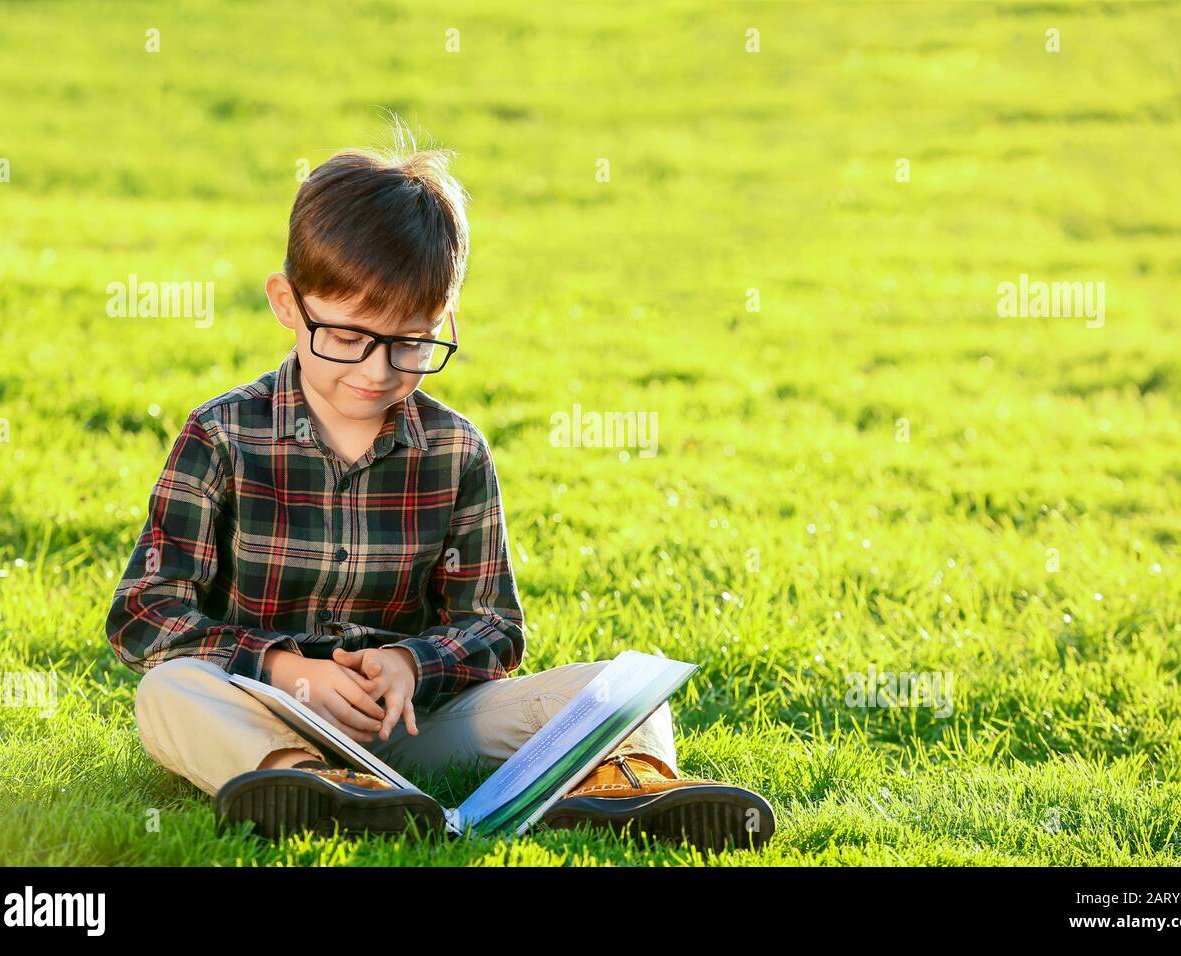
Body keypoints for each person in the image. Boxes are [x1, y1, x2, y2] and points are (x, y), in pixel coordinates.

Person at [106, 132, 775, 851]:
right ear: (287, 303)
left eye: (411, 344)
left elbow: (494, 626)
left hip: (416, 725)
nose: (377, 370)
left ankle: (630, 785)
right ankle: (303, 782)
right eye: (347, 336)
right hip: (269, 711)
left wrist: (408, 664)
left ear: (445, 321)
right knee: (167, 694)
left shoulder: (455, 450)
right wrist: (283, 667)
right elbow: (146, 613)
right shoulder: (223, 435)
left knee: (615, 688)